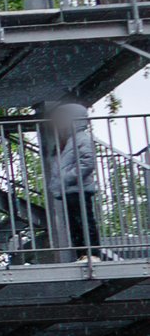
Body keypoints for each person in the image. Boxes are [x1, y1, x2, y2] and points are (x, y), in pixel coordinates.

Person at [39, 98, 102, 259]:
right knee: (74, 225)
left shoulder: (81, 139)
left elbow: (87, 162)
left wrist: (66, 178)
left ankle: (92, 254)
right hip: (69, 190)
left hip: (78, 188)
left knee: (85, 223)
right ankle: (82, 254)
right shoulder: (67, 141)